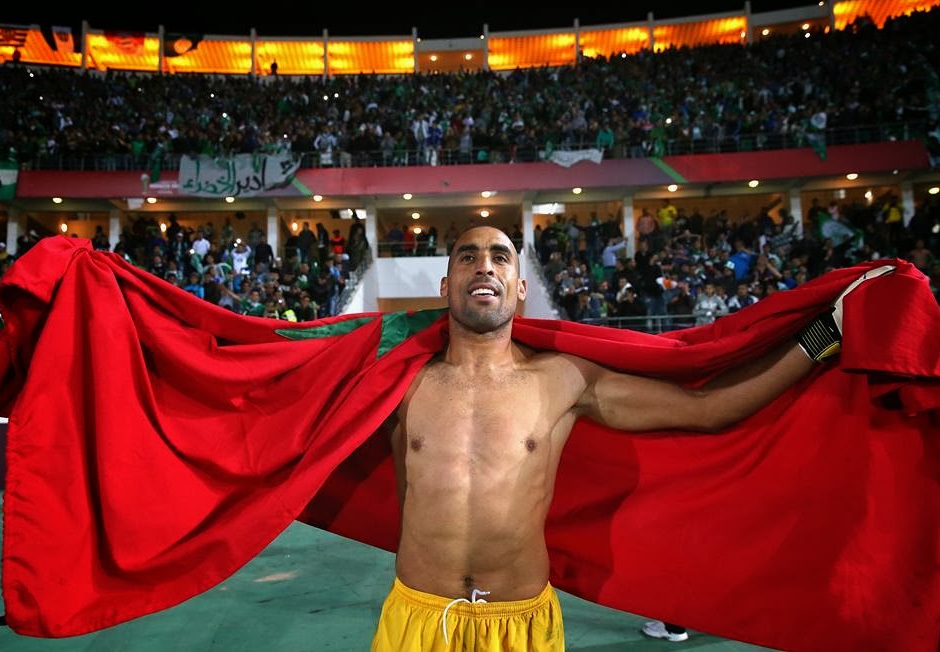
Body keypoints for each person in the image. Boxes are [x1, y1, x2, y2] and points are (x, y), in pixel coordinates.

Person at [370, 226, 881, 651]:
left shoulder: (564, 378)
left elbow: (707, 409)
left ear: (520, 287)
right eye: (468, 257)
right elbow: (320, 382)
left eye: (500, 257)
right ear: (446, 285)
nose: (484, 266)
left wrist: (824, 333)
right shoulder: (399, 381)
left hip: (519, 626)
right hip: (417, 618)